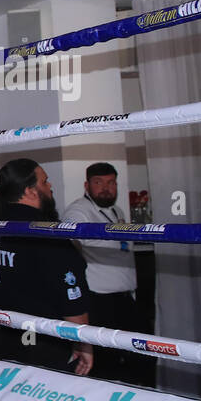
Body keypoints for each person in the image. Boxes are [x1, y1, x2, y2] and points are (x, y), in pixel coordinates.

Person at [0, 158, 93, 375]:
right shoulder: (45, 233)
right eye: (45, 181)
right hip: (43, 342)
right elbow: (70, 295)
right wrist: (83, 342)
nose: (50, 186)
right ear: (30, 191)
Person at [61, 162, 155, 387]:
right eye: (99, 182)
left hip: (124, 298)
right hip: (99, 301)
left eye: (111, 182)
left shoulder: (117, 211)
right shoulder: (78, 211)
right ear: (87, 185)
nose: (106, 188)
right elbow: (73, 238)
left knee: (141, 357)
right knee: (105, 364)